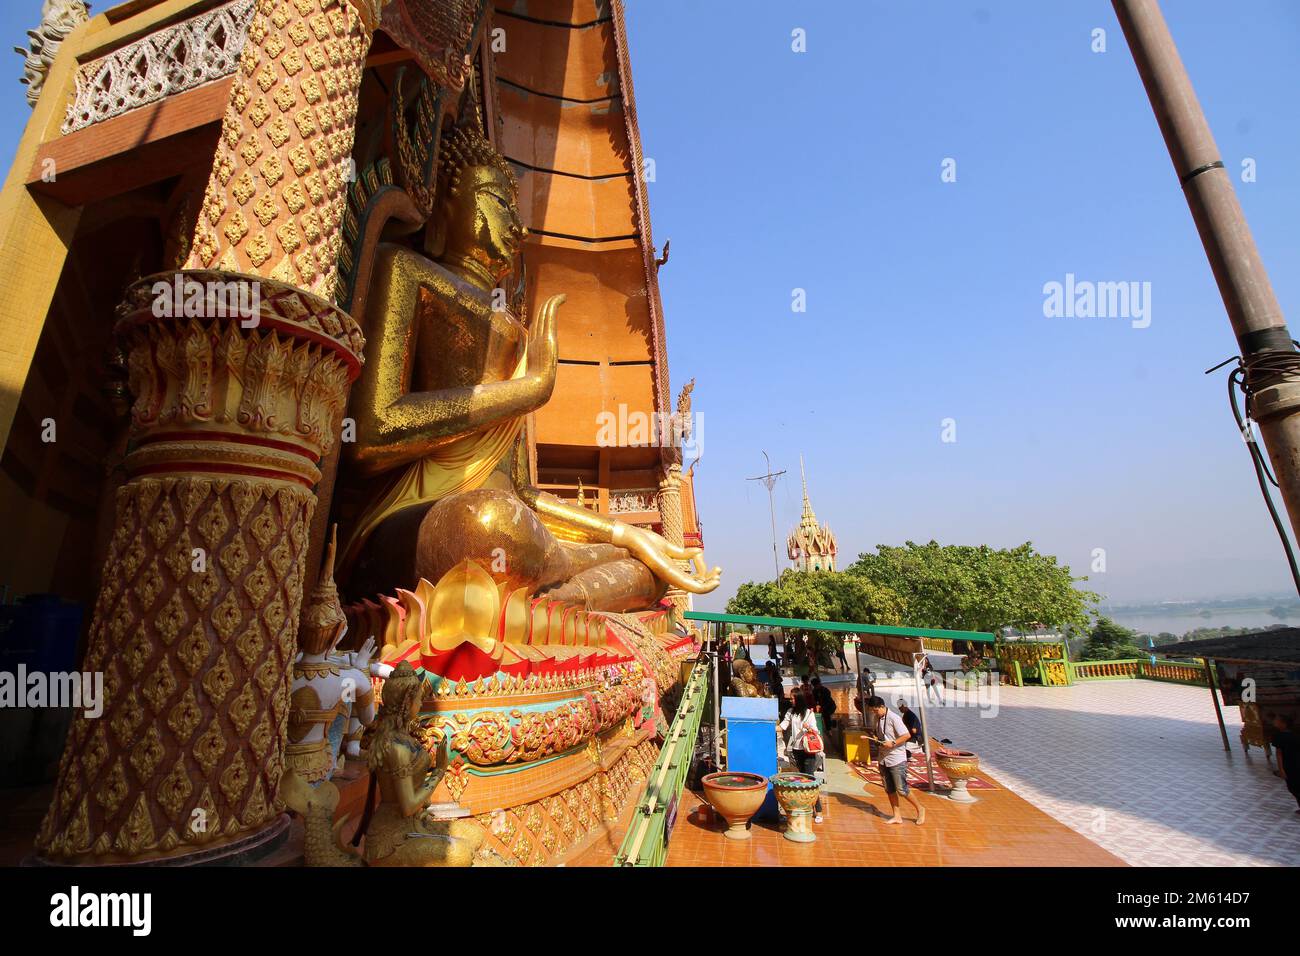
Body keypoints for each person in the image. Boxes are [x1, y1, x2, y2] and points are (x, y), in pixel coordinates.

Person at [866, 696, 925, 825]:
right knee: (889, 789)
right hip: (883, 758)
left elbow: (906, 735)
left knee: (902, 789)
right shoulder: (878, 718)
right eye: (872, 711)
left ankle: (920, 809)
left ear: (882, 706)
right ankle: (897, 815)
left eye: (875, 711)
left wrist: (893, 743)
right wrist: (875, 738)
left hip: (896, 758)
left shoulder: (894, 718)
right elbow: (880, 734)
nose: (874, 713)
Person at [779, 692, 824, 823]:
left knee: (809, 779)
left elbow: (816, 731)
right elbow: (782, 726)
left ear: (799, 699)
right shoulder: (790, 712)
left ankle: (818, 810)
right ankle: (805, 806)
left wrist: (808, 727)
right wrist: (766, 727)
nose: (791, 700)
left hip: (808, 750)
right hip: (796, 749)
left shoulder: (809, 714)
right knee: (802, 777)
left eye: (793, 698)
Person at [1270, 713, 1300, 814]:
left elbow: (1279, 754)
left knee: (1293, 787)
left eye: (1277, 720)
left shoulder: (1279, 737)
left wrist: (1281, 769)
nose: (1274, 721)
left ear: (1283, 724)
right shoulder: (1295, 735)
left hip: (1289, 765)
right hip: (1297, 762)